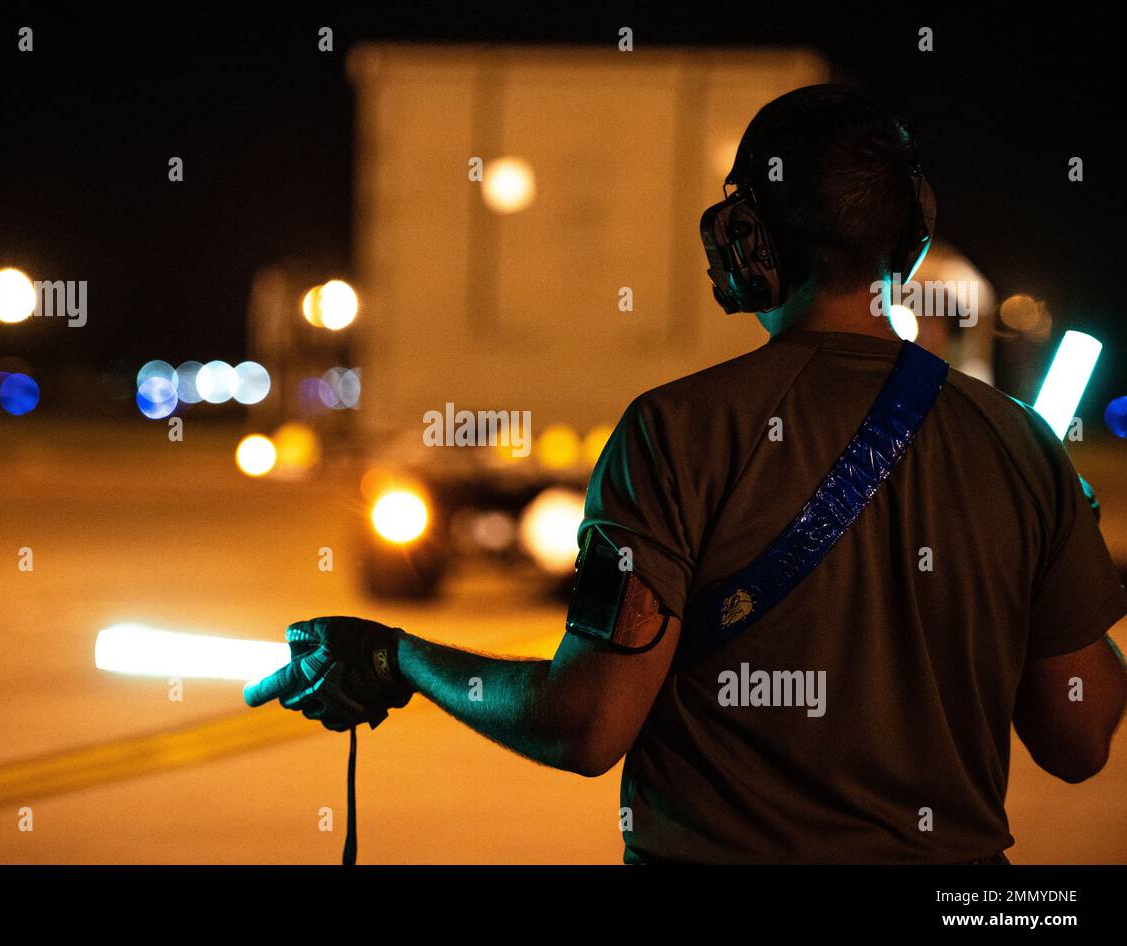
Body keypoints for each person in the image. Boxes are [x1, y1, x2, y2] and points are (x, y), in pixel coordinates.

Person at [247, 85, 1127, 863]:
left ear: (747, 237)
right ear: (913, 239)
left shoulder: (673, 433)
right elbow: (1080, 739)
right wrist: (1065, 568)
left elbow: (587, 723)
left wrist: (398, 656)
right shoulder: (1021, 449)